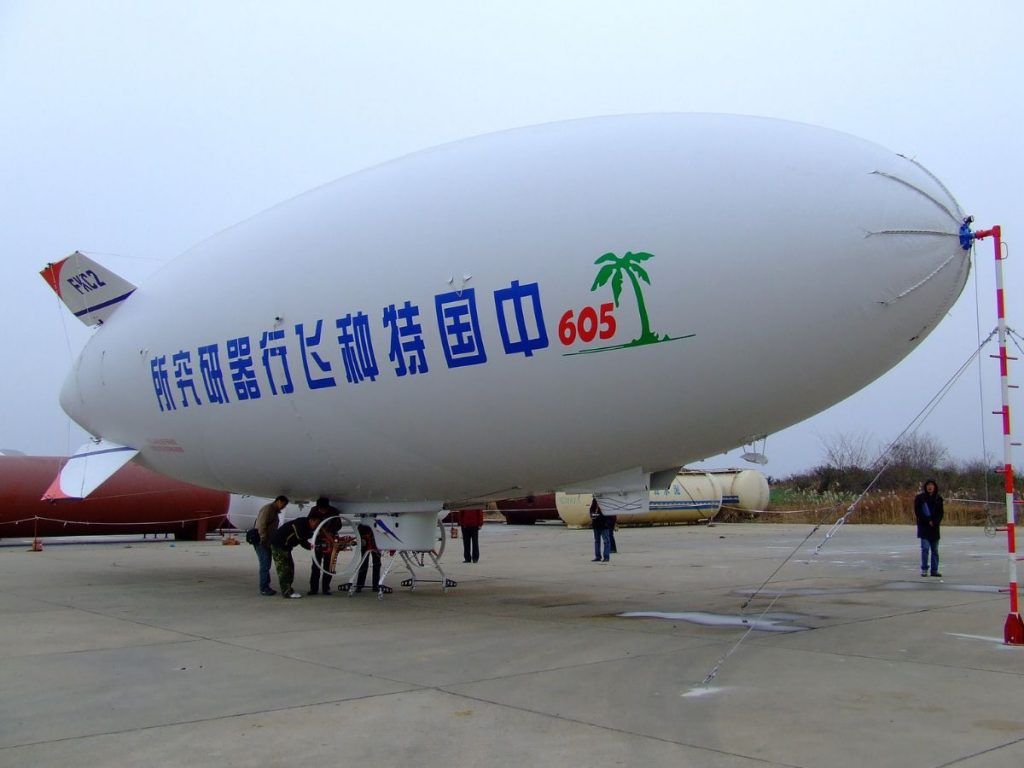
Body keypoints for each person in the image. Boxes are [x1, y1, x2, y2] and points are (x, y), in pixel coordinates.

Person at [271, 507, 324, 599]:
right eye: (317, 523)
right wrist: (314, 537)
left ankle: (288, 589)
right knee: (284, 570)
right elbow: (301, 537)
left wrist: (313, 547)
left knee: (290, 568)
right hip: (279, 547)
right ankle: (286, 592)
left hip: (285, 548)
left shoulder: (305, 527)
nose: (317, 526)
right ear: (311, 520)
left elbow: (303, 542)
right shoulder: (301, 524)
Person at [253, 495, 288, 595]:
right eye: (284, 504)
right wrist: (263, 539)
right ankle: (264, 587)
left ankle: (265, 586)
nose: (284, 507)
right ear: (279, 501)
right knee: (265, 564)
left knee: (266, 564)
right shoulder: (268, 509)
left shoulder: (273, 510)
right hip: (262, 542)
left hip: (267, 542)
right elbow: (261, 525)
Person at [308, 497, 342, 595]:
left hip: (330, 540)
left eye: (324, 509)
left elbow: (339, 525)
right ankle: (313, 589)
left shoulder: (334, 512)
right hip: (318, 539)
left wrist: (330, 532)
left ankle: (326, 588)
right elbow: (309, 523)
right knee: (315, 566)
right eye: (320, 509)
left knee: (328, 566)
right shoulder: (314, 510)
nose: (322, 511)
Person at [914, 479, 944, 577]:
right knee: (925, 549)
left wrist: (935, 522)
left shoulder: (938, 499)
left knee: (935, 550)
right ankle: (924, 569)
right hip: (924, 527)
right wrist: (928, 520)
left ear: (935, 487)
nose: (930, 487)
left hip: (934, 528)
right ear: (925, 487)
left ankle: (934, 570)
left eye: (932, 485)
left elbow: (940, 513)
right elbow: (918, 512)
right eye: (928, 485)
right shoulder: (920, 498)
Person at [355, 522, 382, 593]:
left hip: (373, 542)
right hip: (368, 541)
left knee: (374, 563)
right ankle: (371, 585)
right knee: (367, 563)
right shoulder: (366, 523)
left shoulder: (364, 522)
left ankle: (361, 585)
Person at [590, 498, 612, 562]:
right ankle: (598, 556)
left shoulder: (606, 500)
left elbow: (609, 513)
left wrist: (608, 523)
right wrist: (592, 515)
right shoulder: (594, 501)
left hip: (604, 525)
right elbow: (591, 510)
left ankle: (606, 557)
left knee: (606, 541)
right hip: (596, 524)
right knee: (597, 541)